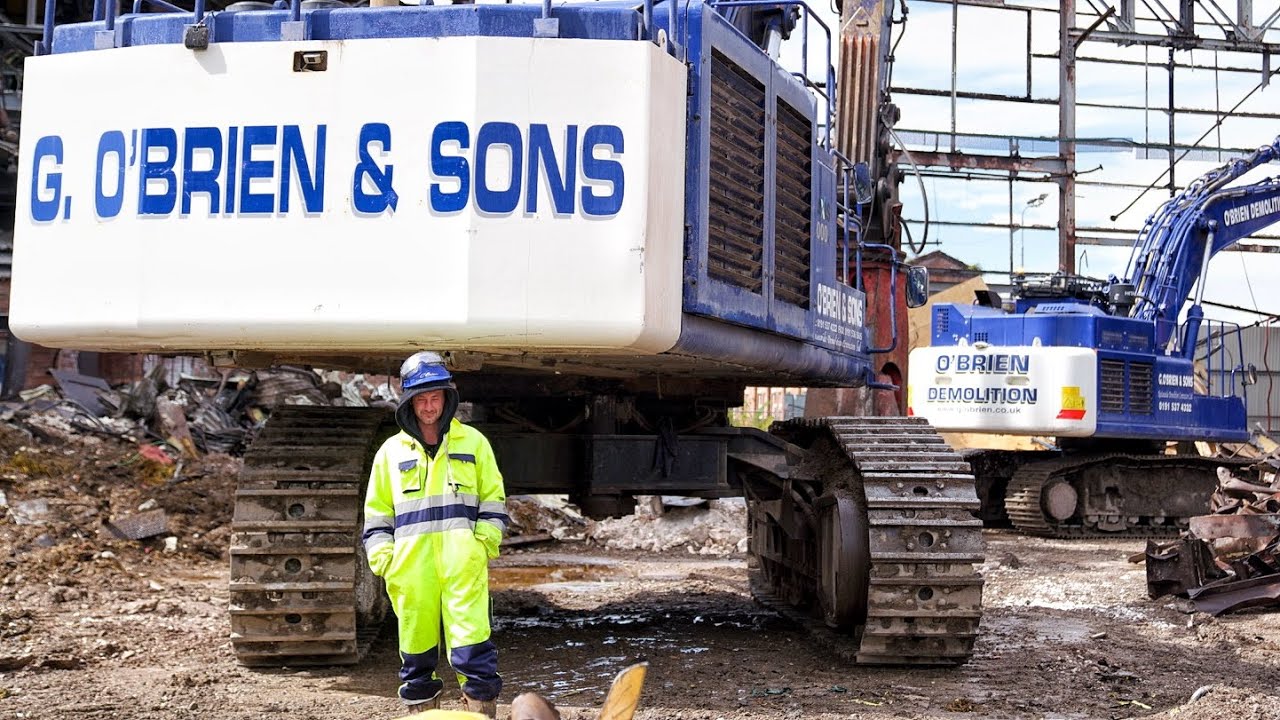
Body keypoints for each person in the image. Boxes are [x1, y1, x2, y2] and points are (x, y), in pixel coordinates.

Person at [363, 351, 509, 718]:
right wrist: (385, 561)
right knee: (416, 657)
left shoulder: (473, 443)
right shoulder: (390, 453)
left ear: (447, 399)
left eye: (435, 398)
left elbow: (494, 498)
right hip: (411, 573)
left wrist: (483, 544)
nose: (428, 407)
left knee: (474, 651)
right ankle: (421, 713)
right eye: (421, 400)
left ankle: (480, 713)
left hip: (464, 565)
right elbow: (377, 513)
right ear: (409, 402)